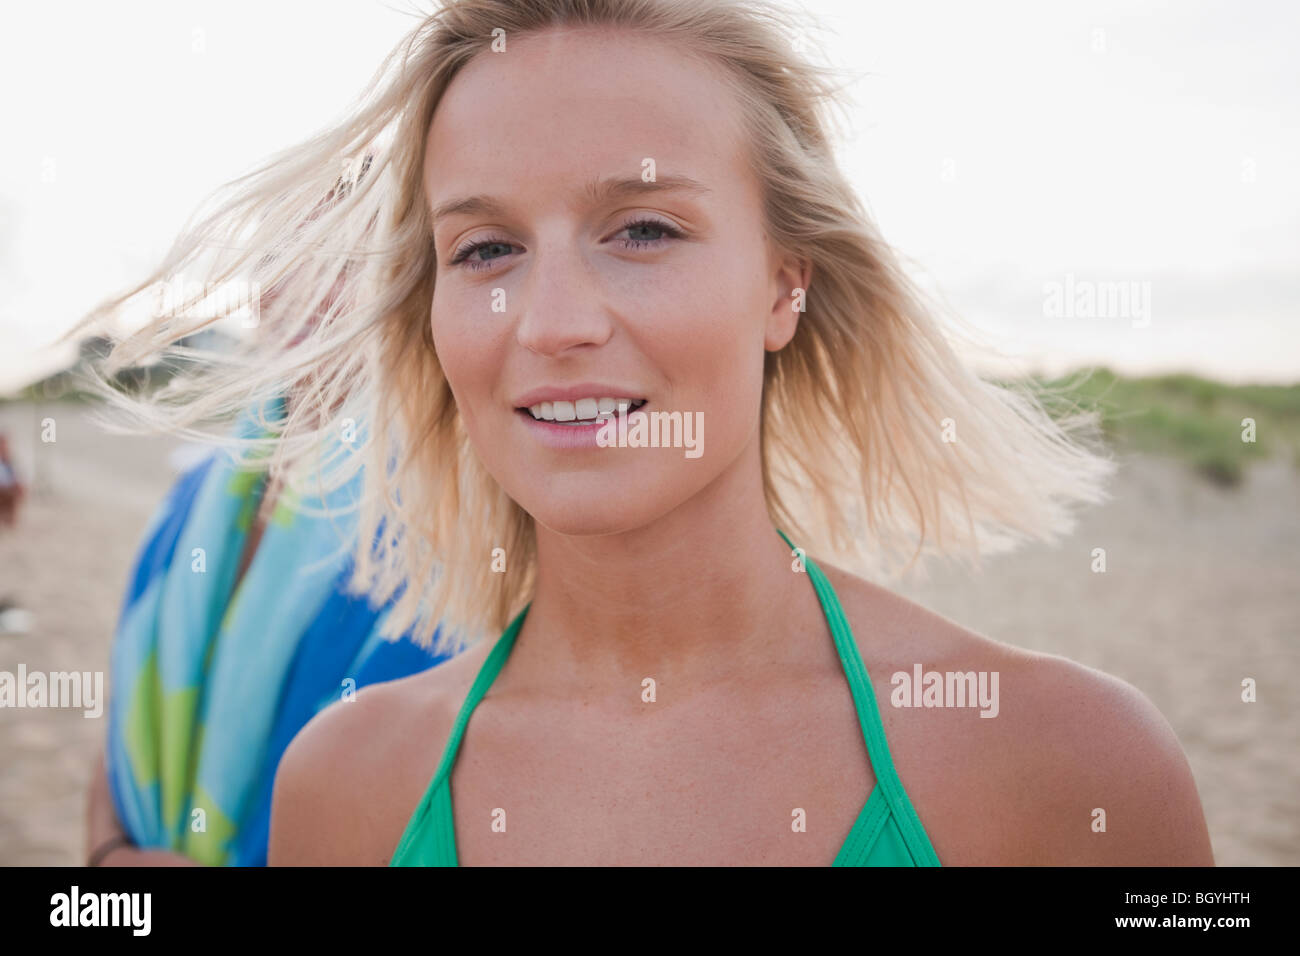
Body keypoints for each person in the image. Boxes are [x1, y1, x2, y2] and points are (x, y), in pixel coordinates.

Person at [75, 0, 1213, 866]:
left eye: (645, 228)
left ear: (782, 285)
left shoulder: (1064, 764)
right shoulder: (345, 784)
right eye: (485, 249)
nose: (554, 322)